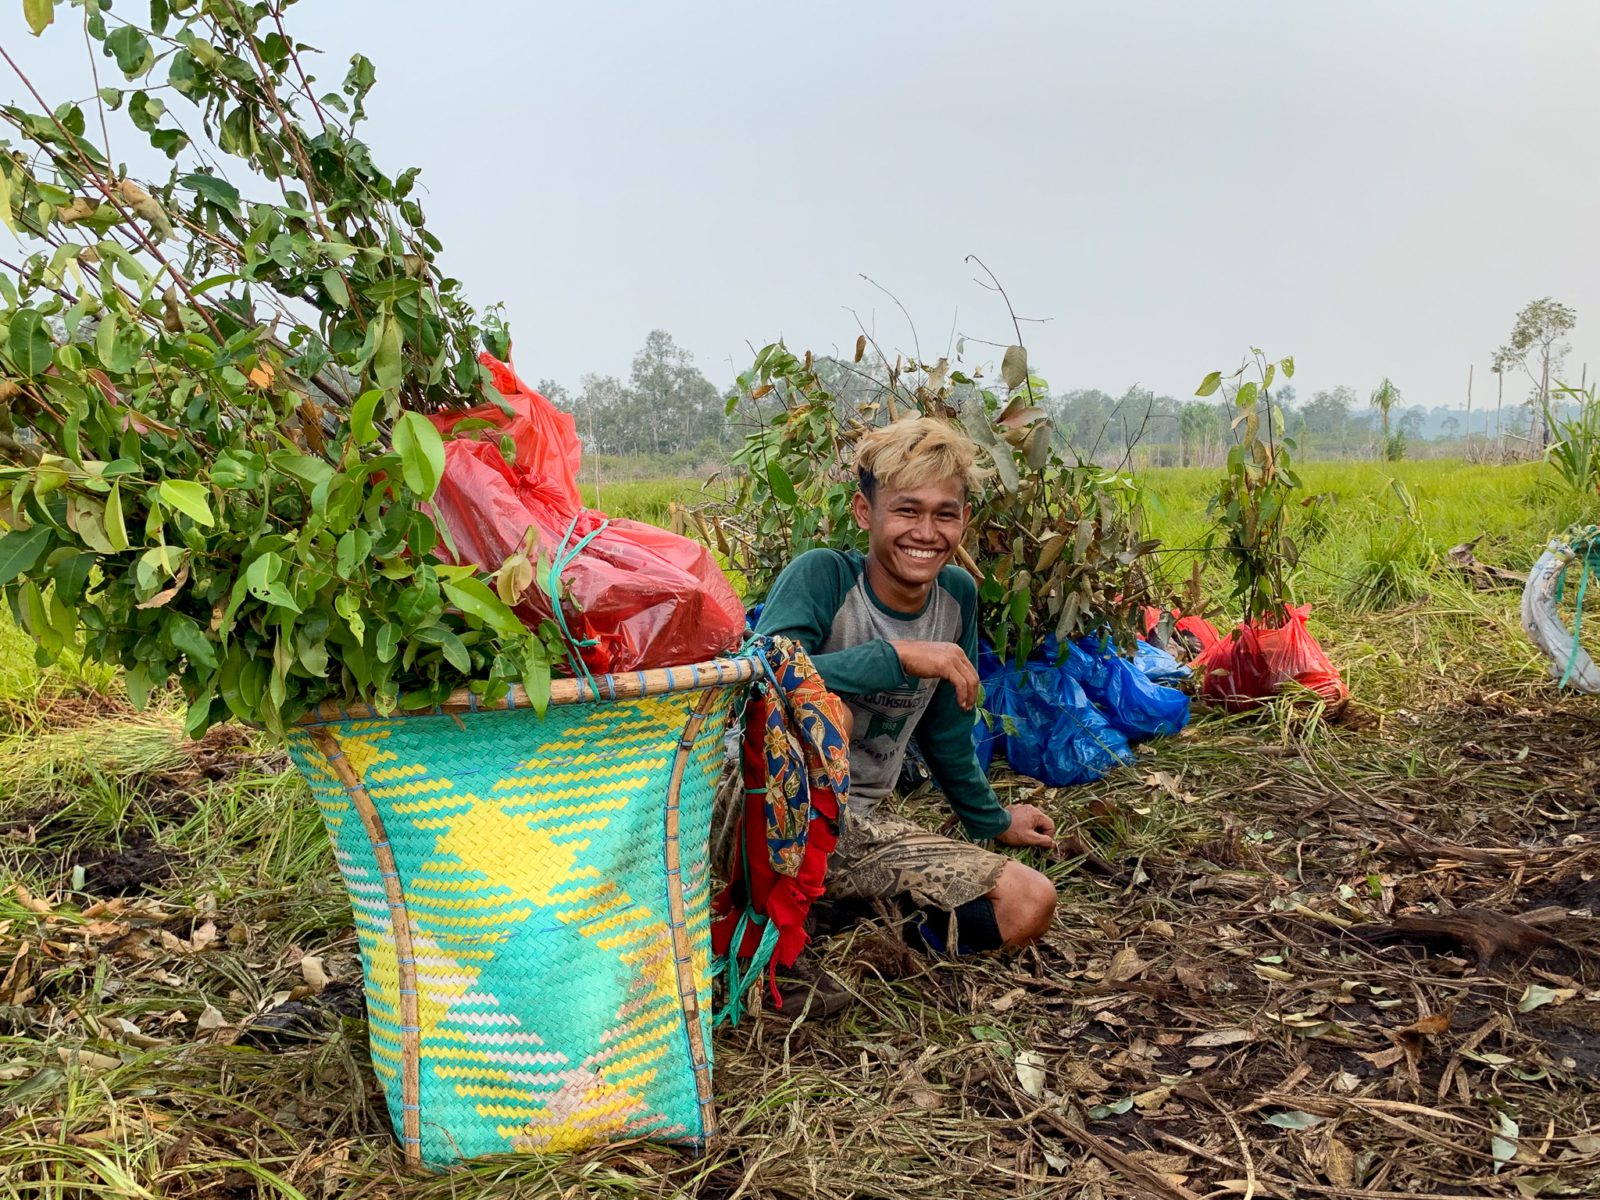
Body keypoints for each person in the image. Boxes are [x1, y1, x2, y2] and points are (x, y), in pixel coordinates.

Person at [754, 416, 1059, 979]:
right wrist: (896, 657)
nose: (926, 532)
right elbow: (758, 680)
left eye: (945, 513)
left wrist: (992, 819)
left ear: (964, 520)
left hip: (856, 830)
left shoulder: (956, 597)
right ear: (864, 511)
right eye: (906, 511)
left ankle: (858, 928)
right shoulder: (823, 577)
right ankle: (781, 906)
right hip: (770, 822)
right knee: (829, 713)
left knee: (1028, 903)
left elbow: (946, 733)